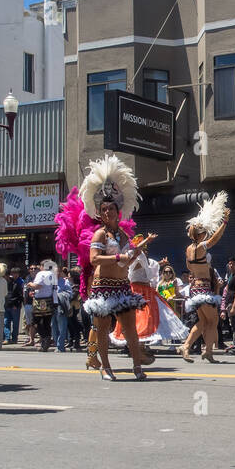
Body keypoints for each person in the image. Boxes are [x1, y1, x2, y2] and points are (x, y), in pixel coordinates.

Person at [74, 156, 153, 381]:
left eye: (111, 208)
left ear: (118, 212)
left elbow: (125, 263)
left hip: (121, 285)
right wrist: (119, 255)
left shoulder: (124, 235)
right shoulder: (100, 234)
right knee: (103, 329)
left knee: (130, 329)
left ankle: (137, 367)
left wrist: (134, 254)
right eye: (104, 209)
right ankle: (105, 367)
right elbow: (95, 259)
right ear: (99, 212)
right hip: (102, 287)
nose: (108, 212)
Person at [180, 191, 230, 364]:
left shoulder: (188, 249)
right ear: (200, 235)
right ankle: (191, 347)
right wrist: (224, 222)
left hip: (195, 288)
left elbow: (188, 268)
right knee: (213, 319)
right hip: (203, 287)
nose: (206, 235)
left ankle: (205, 351)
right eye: (204, 233)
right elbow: (215, 239)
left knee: (203, 321)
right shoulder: (201, 246)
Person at [3, 267, 23, 344]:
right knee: (6, 322)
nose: (14, 275)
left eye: (16, 273)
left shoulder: (19, 282)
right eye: (13, 273)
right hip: (7, 304)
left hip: (15, 306)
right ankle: (7, 338)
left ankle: (14, 338)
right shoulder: (7, 282)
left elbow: (20, 295)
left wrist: (17, 304)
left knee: (15, 323)